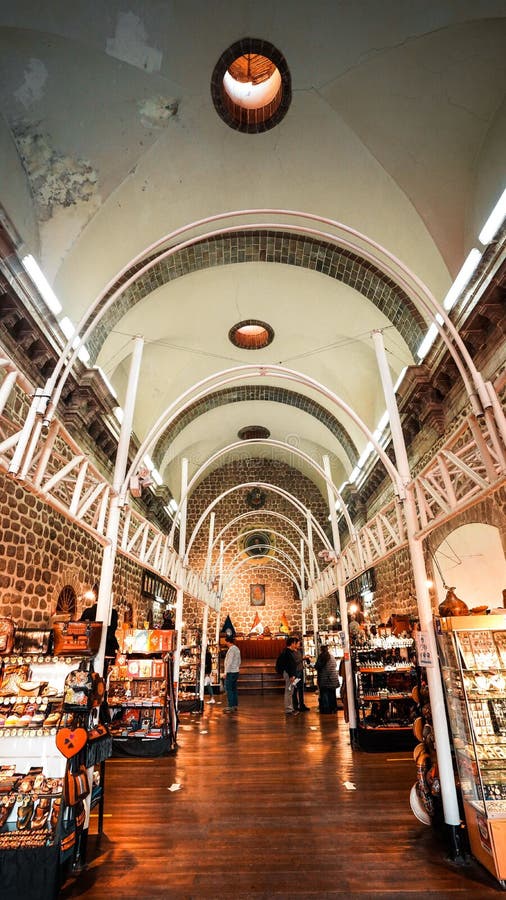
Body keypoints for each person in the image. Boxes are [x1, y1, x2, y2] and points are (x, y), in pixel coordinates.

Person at [276, 636, 300, 715]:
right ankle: (289, 709)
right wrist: (292, 675)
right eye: (296, 644)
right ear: (292, 643)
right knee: (289, 691)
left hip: (290, 674)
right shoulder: (287, 653)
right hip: (289, 675)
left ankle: (290, 708)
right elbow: (288, 665)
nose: (297, 645)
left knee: (290, 691)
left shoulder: (288, 652)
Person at [315, 644, 339, 714]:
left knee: (324, 694)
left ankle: (326, 710)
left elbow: (317, 666)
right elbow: (335, 665)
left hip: (324, 679)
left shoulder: (321, 657)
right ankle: (333, 709)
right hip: (333, 678)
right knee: (332, 694)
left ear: (321, 650)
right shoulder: (331, 656)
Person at [223, 635, 241, 713]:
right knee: (234, 689)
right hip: (236, 671)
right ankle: (234, 705)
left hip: (230, 672)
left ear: (228, 642)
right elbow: (239, 661)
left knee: (229, 689)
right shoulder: (237, 649)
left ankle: (230, 706)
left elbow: (229, 662)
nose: (225, 643)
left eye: (226, 642)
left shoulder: (231, 650)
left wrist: (226, 672)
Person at [292, 637, 310, 712]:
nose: (299, 645)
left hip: (300, 671)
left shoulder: (299, 651)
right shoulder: (292, 652)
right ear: (294, 644)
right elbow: (294, 662)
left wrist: (306, 659)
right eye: (298, 643)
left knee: (301, 689)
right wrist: (302, 659)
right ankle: (295, 706)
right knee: (295, 689)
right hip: (296, 673)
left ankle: (302, 705)